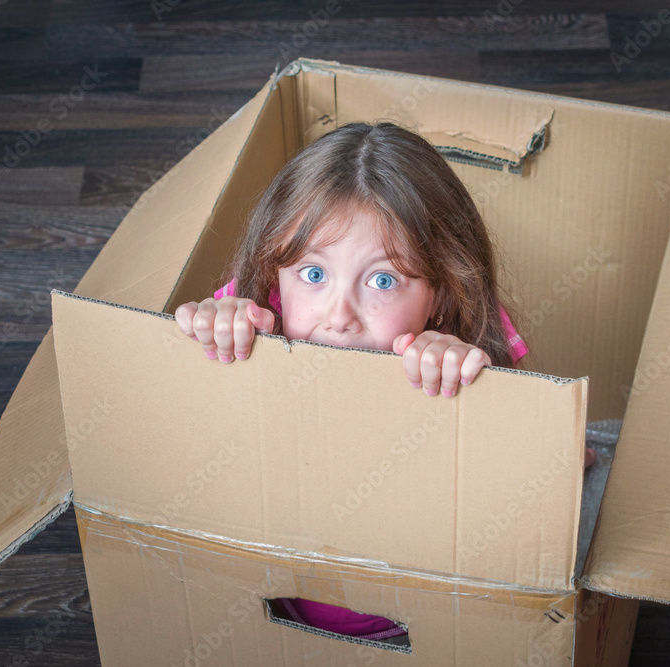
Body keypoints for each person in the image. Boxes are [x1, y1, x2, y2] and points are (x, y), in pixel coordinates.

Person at [174, 121, 595, 643]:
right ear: (274, 271)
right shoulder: (266, 316)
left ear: (441, 295)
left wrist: (474, 385)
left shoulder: (450, 355)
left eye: (382, 280)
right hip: (265, 619)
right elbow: (184, 409)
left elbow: (569, 463)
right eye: (313, 274)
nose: (340, 315)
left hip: (418, 634)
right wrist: (213, 326)